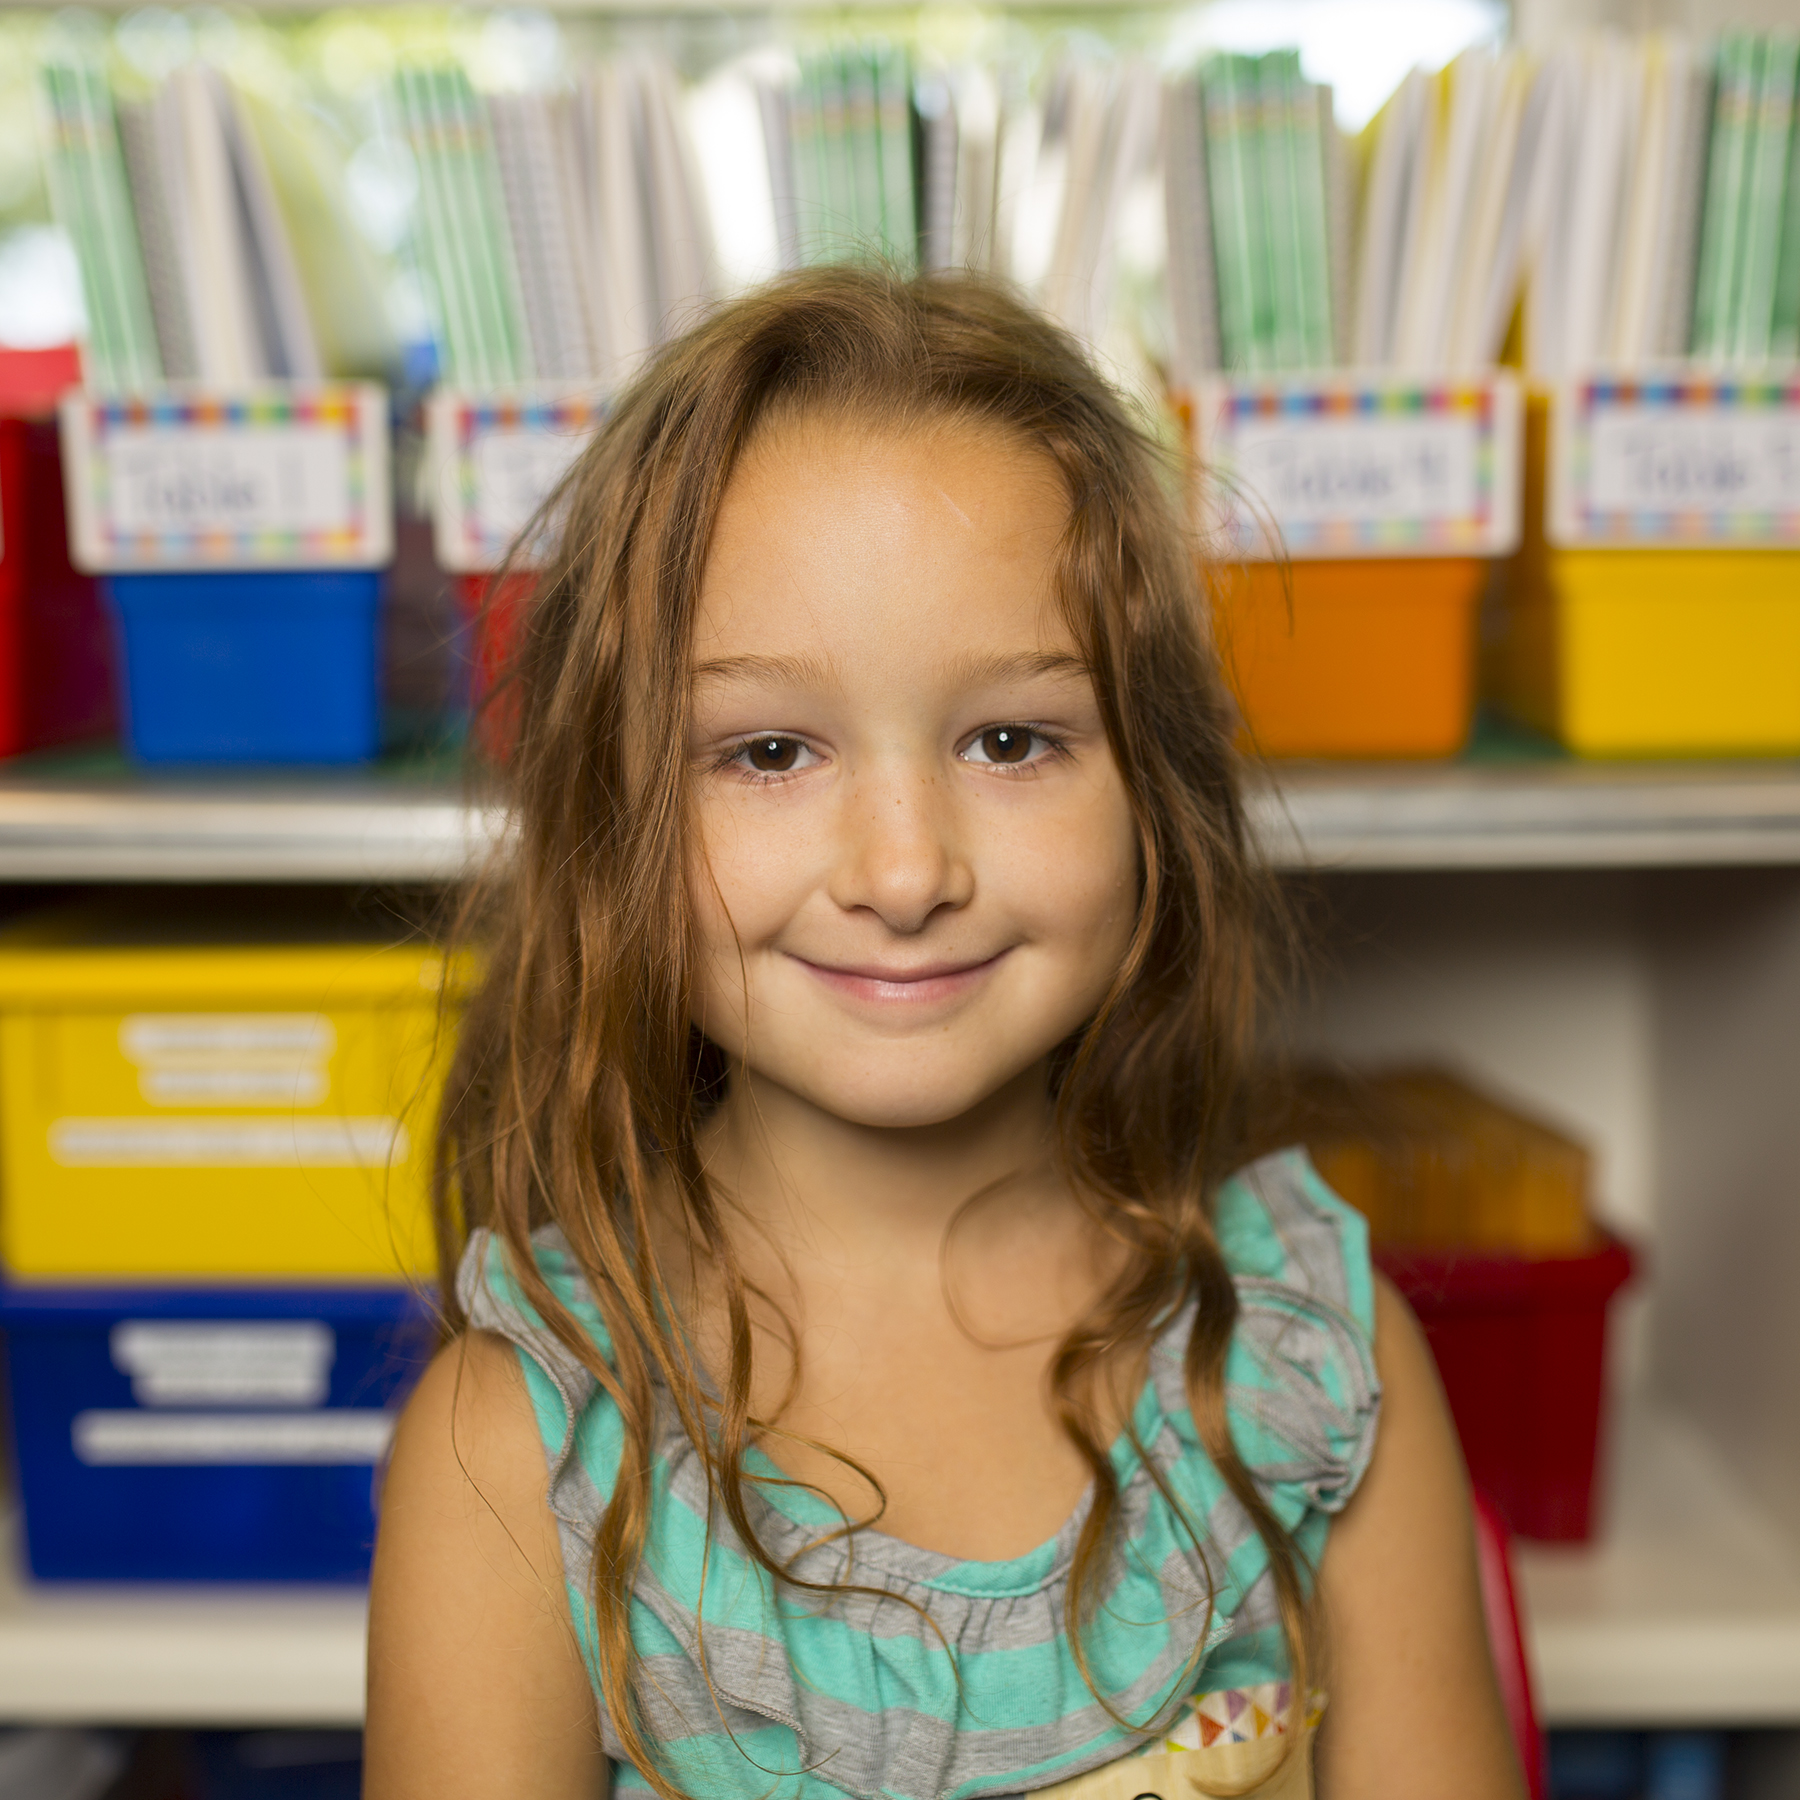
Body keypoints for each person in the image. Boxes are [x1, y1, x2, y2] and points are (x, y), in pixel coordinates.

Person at [364, 268, 1525, 1800]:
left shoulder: (1317, 1364)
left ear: (1153, 802)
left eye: (1010, 739)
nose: (905, 872)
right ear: (611, 823)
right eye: (769, 752)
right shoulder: (517, 1456)